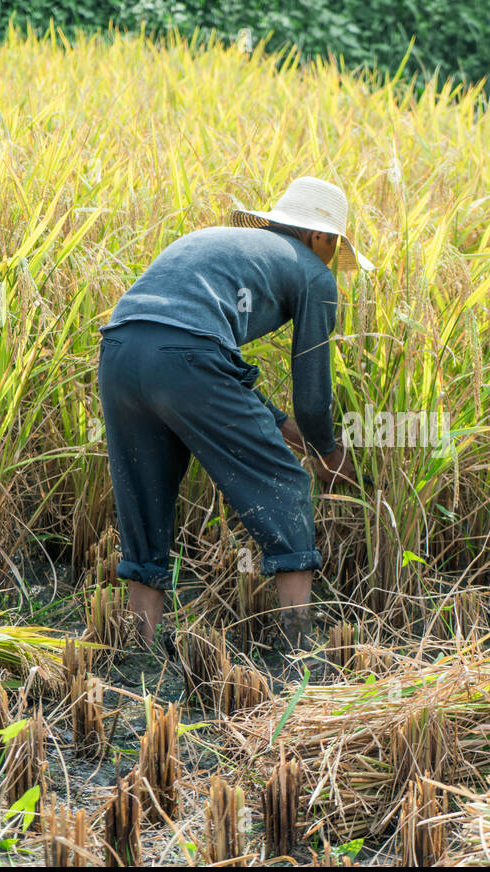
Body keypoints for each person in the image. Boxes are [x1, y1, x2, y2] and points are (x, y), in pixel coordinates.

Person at [96, 176, 371, 674]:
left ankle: (138, 656)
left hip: (118, 352)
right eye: (333, 247)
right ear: (321, 238)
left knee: (146, 502)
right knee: (285, 484)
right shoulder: (314, 273)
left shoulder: (223, 242)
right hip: (188, 357)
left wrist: (283, 428)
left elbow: (200, 358)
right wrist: (330, 457)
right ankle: (298, 651)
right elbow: (312, 398)